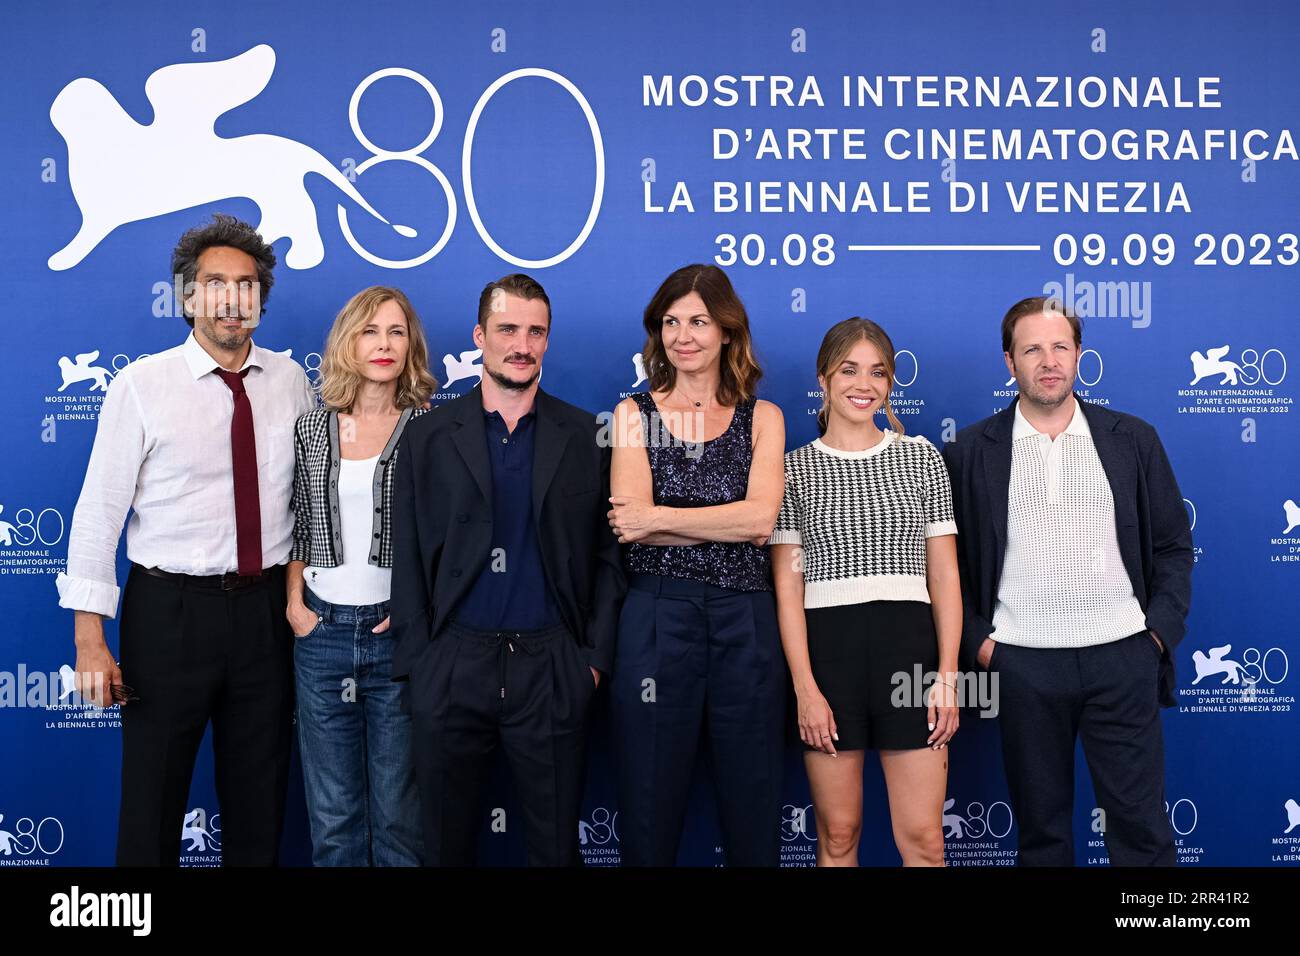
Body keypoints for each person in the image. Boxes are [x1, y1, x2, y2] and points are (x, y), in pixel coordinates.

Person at [56, 213, 316, 865]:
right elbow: (97, 515)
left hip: (264, 619)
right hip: (168, 616)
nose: (232, 297)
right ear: (188, 296)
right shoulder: (141, 387)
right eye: (215, 283)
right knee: (151, 805)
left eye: (247, 284)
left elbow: (313, 502)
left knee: (261, 807)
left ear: (261, 297)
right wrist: (91, 641)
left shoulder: (291, 384)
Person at [942, 295, 1193, 866]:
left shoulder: (1132, 438)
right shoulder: (971, 451)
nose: (1048, 360)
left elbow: (1175, 545)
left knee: (1142, 832)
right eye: (1032, 349)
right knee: (1042, 836)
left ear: (1079, 355)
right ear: (1010, 362)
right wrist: (982, 645)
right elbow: (947, 564)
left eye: (1060, 347)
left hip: (1122, 656)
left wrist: (1155, 636)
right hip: (1022, 663)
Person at [389, 273, 626, 866]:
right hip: (451, 666)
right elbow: (408, 553)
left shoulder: (586, 435)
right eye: (508, 329)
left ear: (547, 341)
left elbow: (608, 556)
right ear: (480, 336)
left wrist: (591, 664)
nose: (522, 344)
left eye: (536, 331)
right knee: (444, 848)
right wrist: (422, 663)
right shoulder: (427, 436)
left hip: (552, 668)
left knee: (554, 853)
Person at [607, 264, 786, 866]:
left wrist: (663, 518)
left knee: (754, 804)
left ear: (727, 331)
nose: (684, 335)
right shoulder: (632, 414)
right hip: (657, 619)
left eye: (699, 321)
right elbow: (629, 528)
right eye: (671, 322)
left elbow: (761, 523)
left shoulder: (764, 418)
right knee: (649, 804)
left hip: (747, 625)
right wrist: (722, 521)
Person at [770, 318, 961, 867]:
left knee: (925, 840)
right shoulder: (792, 470)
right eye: (850, 369)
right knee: (837, 836)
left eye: (878, 372)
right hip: (829, 663)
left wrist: (948, 677)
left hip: (911, 663)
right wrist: (805, 688)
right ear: (823, 377)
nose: (864, 384)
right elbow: (788, 588)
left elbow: (945, 576)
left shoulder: (922, 459)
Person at [287, 286, 437, 866]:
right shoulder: (312, 429)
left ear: (410, 345)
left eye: (396, 332)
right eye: (371, 331)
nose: (384, 344)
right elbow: (294, 521)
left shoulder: (429, 429)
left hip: (395, 639)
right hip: (320, 637)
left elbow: (443, 535)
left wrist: (412, 604)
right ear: (349, 341)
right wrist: (295, 604)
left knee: (401, 819)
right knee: (334, 820)